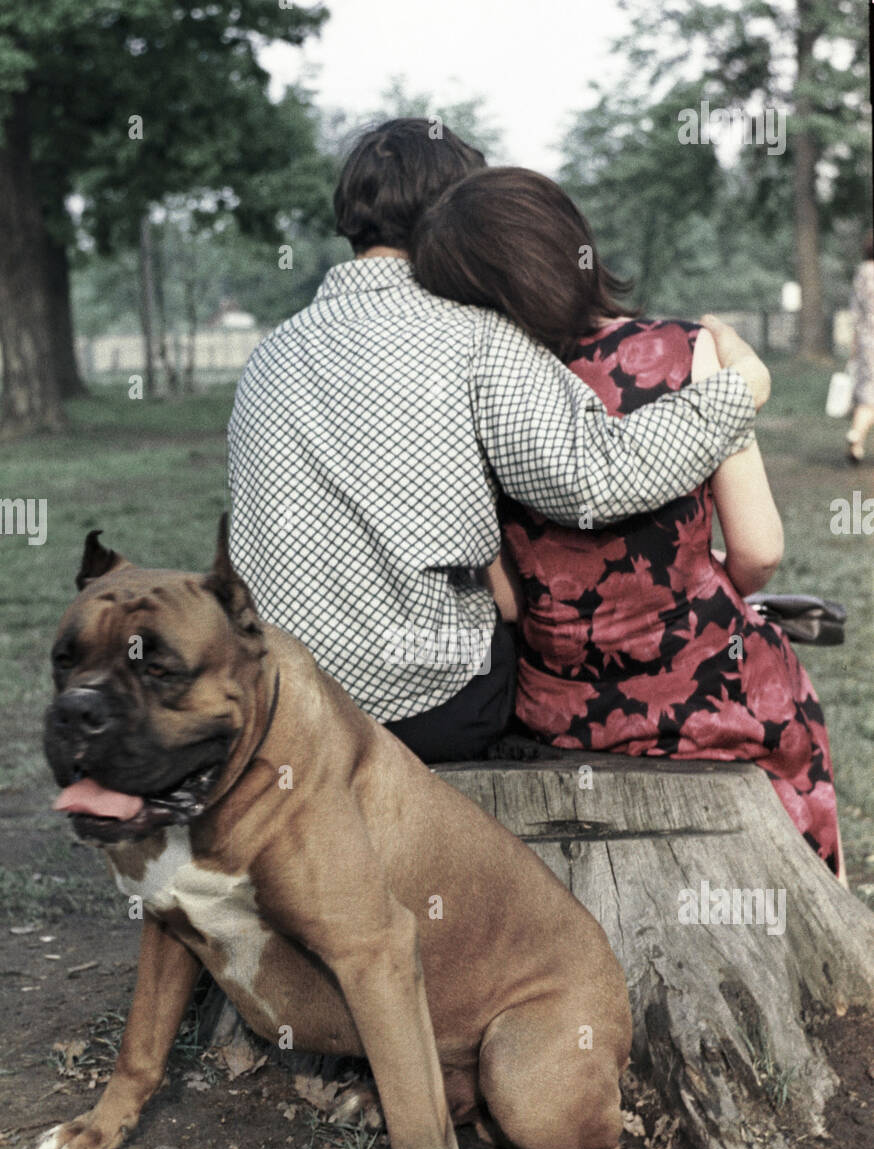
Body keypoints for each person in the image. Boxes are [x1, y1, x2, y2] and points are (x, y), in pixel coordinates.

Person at [228, 119, 767, 765]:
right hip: (425, 706)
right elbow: (594, 479)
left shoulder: (269, 354)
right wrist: (737, 391)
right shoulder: (474, 336)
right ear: (449, 213)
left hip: (281, 699)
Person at [413, 166, 841, 877]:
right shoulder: (686, 352)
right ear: (569, 245)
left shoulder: (470, 399)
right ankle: (833, 928)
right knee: (800, 721)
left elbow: (511, 603)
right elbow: (760, 553)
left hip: (557, 710)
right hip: (708, 692)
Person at [846, 232, 874, 464]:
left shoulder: (863, 272)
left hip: (867, 341)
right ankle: (856, 435)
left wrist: (854, 345)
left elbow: (856, 313)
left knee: (868, 390)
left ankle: (856, 438)